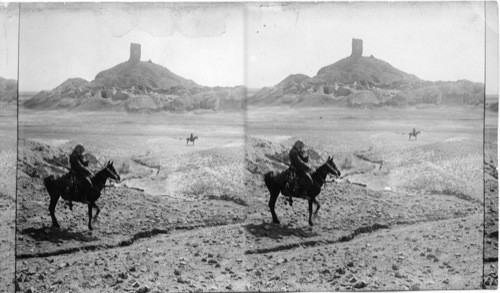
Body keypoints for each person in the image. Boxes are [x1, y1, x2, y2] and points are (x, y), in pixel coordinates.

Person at [288, 140, 314, 205]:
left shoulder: (296, 151)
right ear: (299, 145)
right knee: (309, 180)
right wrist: (307, 167)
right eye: (301, 147)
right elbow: (299, 162)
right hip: (296, 169)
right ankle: (303, 194)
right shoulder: (294, 152)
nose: (302, 148)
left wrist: (307, 157)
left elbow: (303, 159)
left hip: (298, 168)